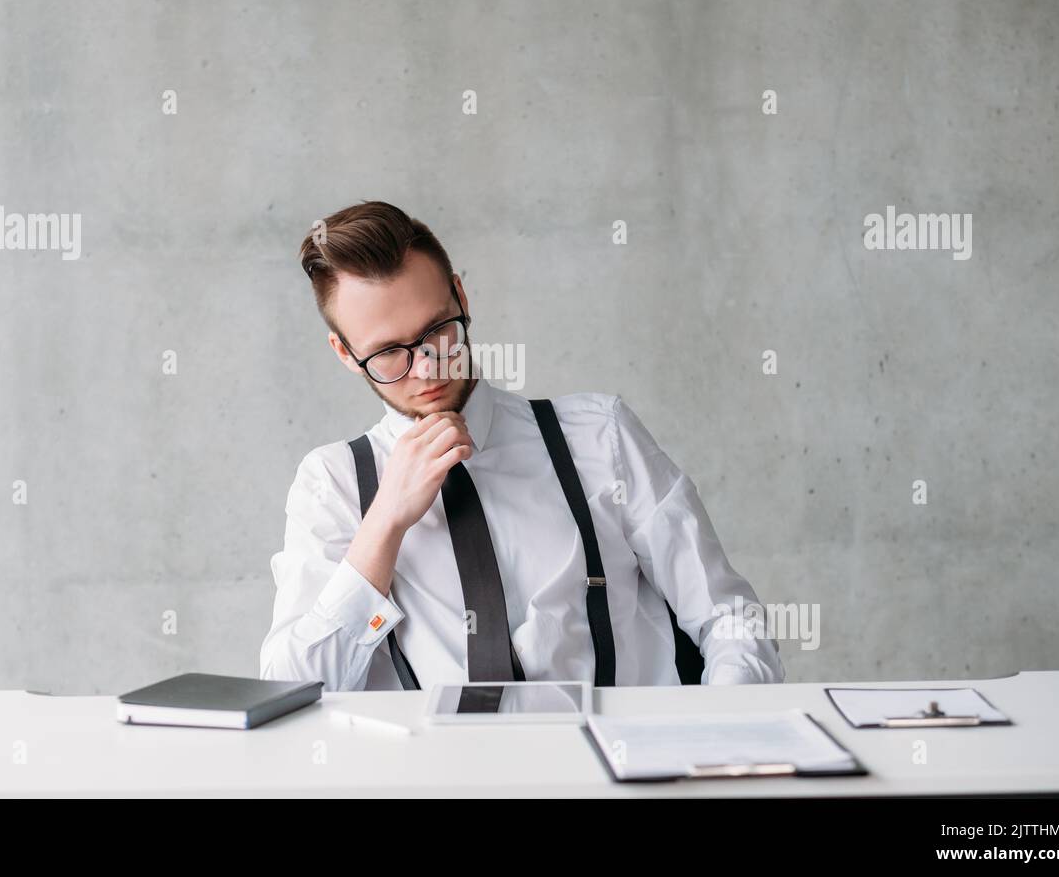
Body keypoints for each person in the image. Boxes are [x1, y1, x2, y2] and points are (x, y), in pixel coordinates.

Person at [260, 200, 785, 691]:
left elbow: (729, 618)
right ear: (346, 353)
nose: (426, 367)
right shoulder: (331, 483)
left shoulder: (600, 435)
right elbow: (296, 686)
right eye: (388, 352)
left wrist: (720, 745)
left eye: (437, 331)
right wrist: (385, 522)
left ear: (461, 299)